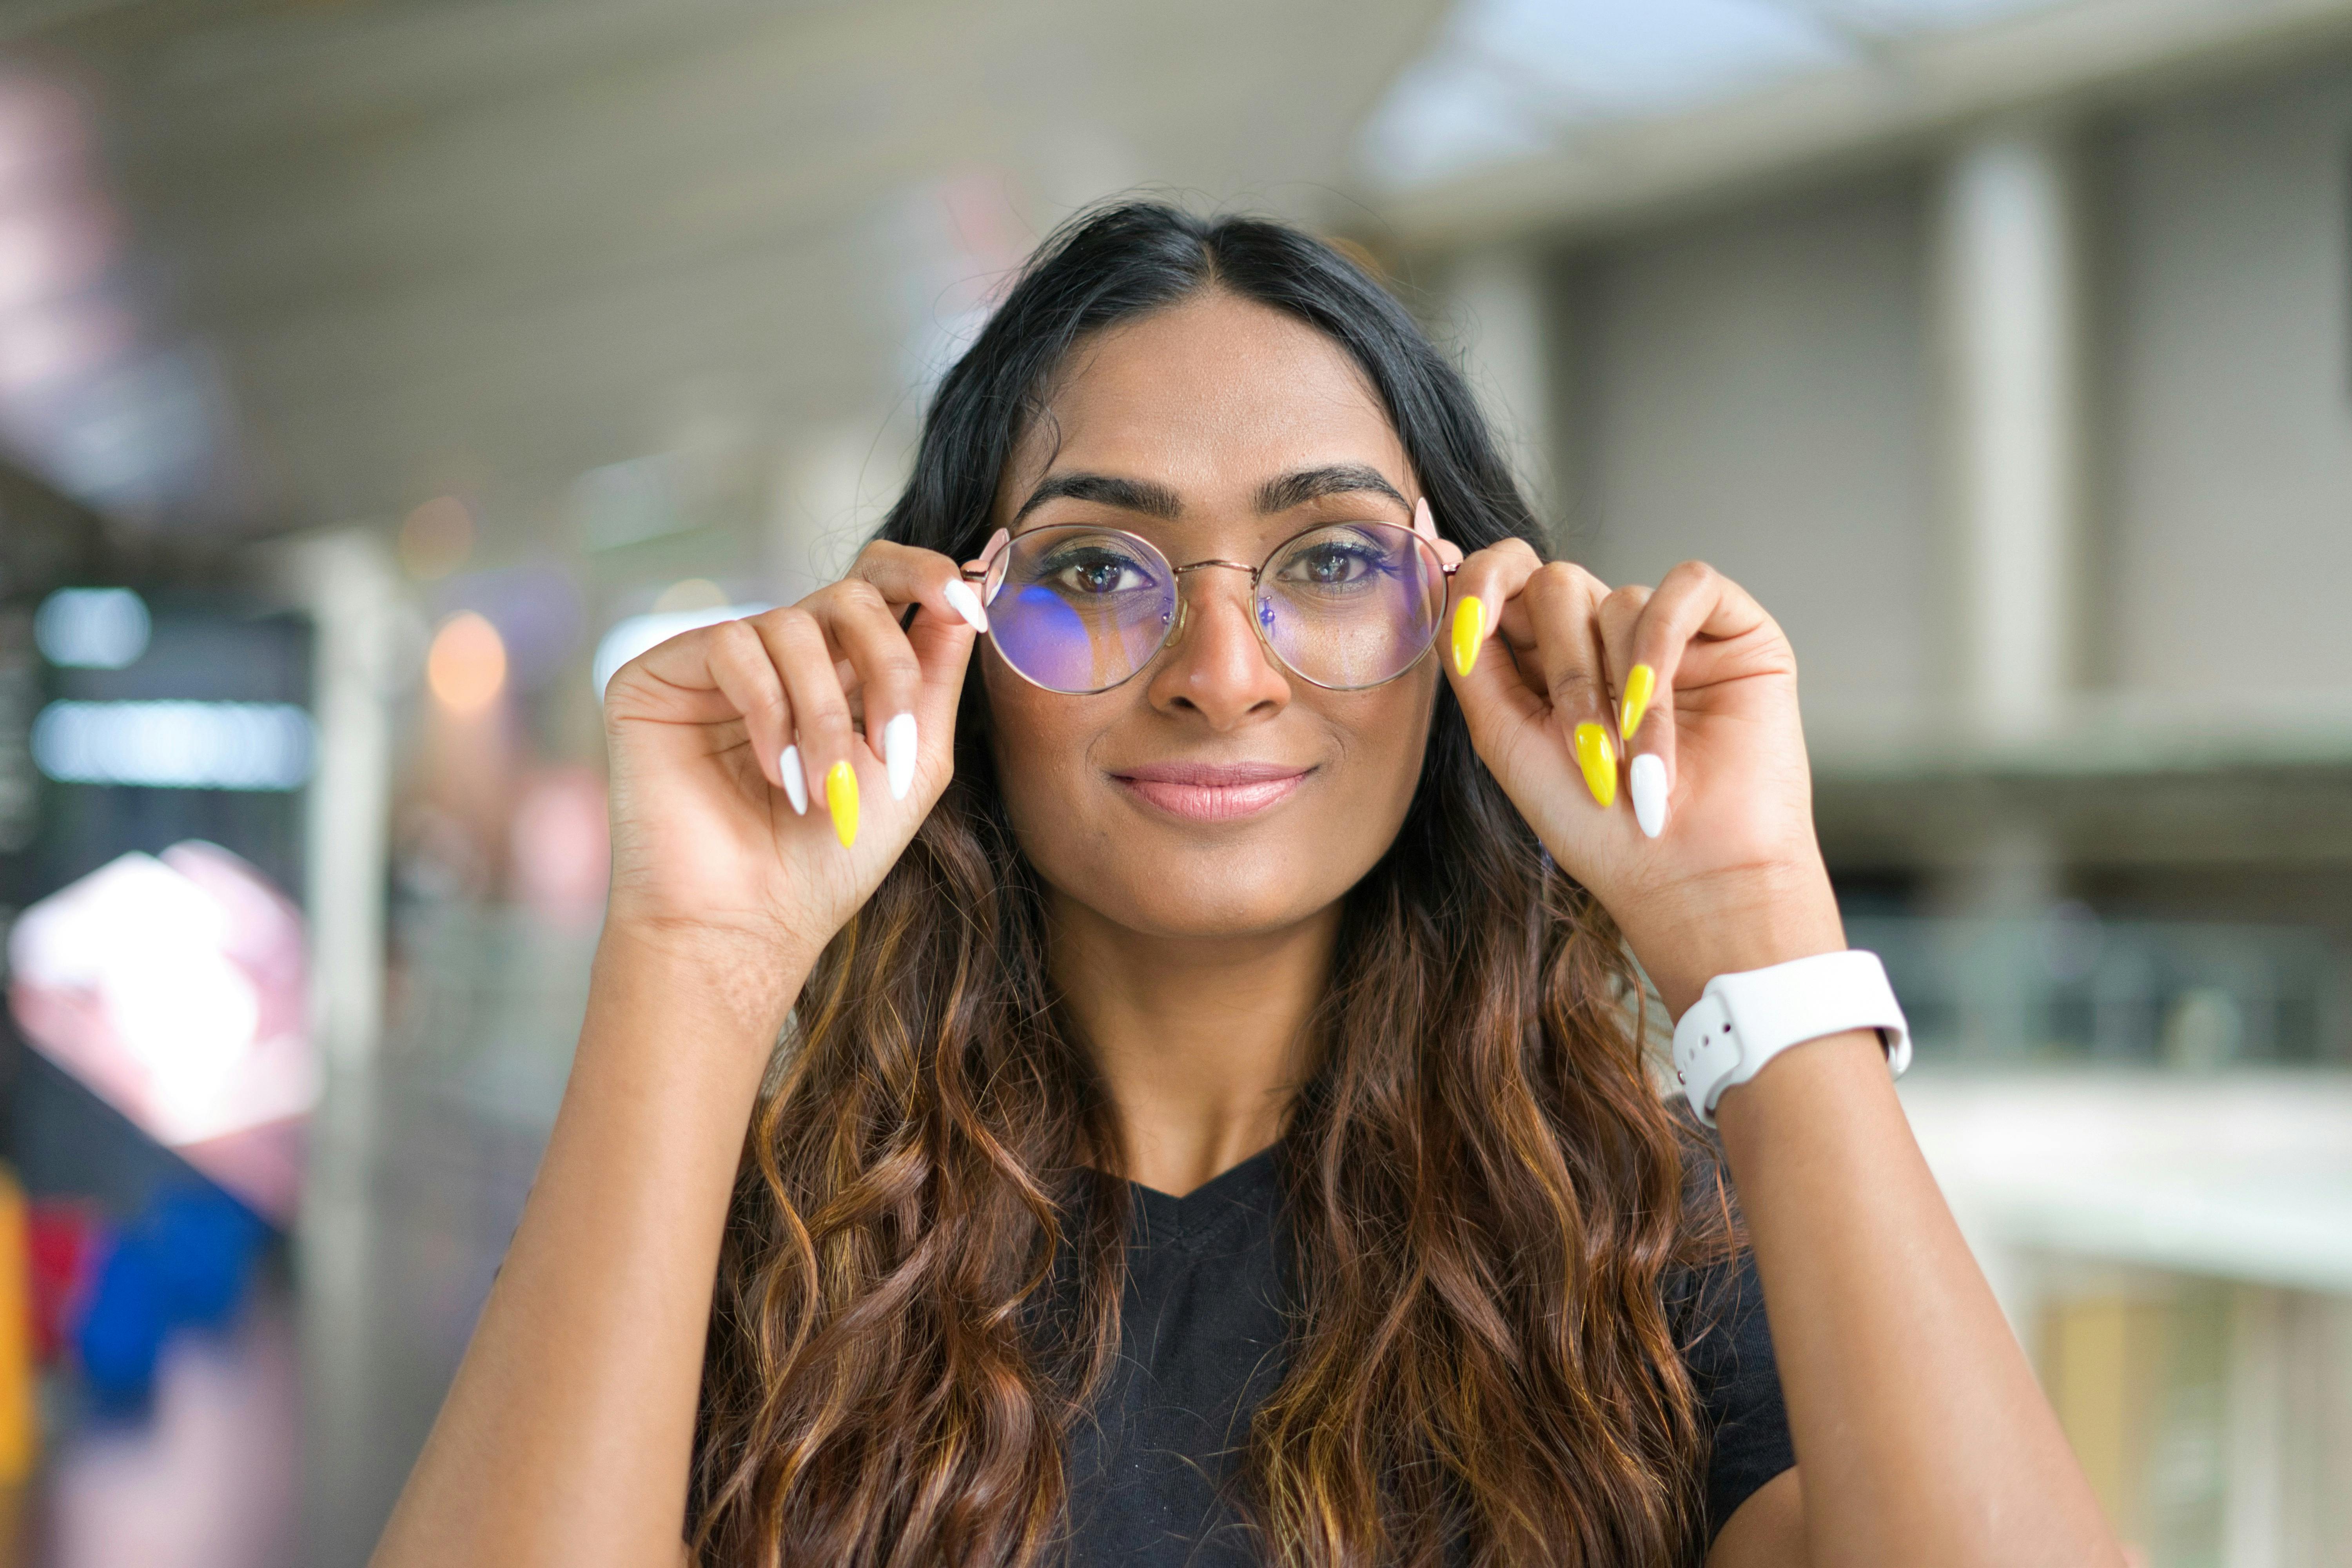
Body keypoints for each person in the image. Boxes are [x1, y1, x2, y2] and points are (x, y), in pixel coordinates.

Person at [373, 203, 2119, 1568]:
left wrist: (1752, 917)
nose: (1222, 673)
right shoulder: (782, 1244)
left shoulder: (1654, 1252)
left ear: (1466, 629)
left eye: (1334, 557)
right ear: (947, 640)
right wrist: (690, 951)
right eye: (1097, 568)